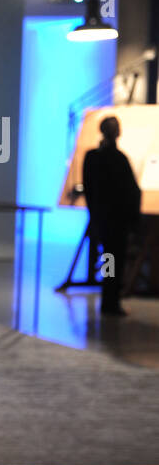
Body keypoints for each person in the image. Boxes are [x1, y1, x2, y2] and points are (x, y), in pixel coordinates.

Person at [82, 115, 141, 315]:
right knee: (114, 259)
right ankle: (110, 301)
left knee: (109, 260)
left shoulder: (92, 158)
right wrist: (134, 221)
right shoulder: (117, 159)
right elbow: (131, 192)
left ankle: (109, 299)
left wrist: (95, 215)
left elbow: (90, 190)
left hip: (104, 220)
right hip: (116, 222)